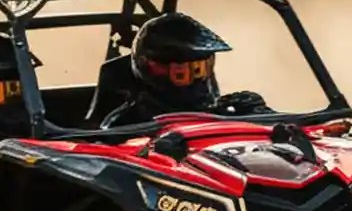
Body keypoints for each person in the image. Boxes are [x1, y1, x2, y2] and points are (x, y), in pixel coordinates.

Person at [98, 12, 267, 127]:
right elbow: (107, 159)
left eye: (200, 69)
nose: (196, 80)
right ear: (152, 69)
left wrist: (260, 116)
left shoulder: (220, 113)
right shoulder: (126, 123)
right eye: (182, 73)